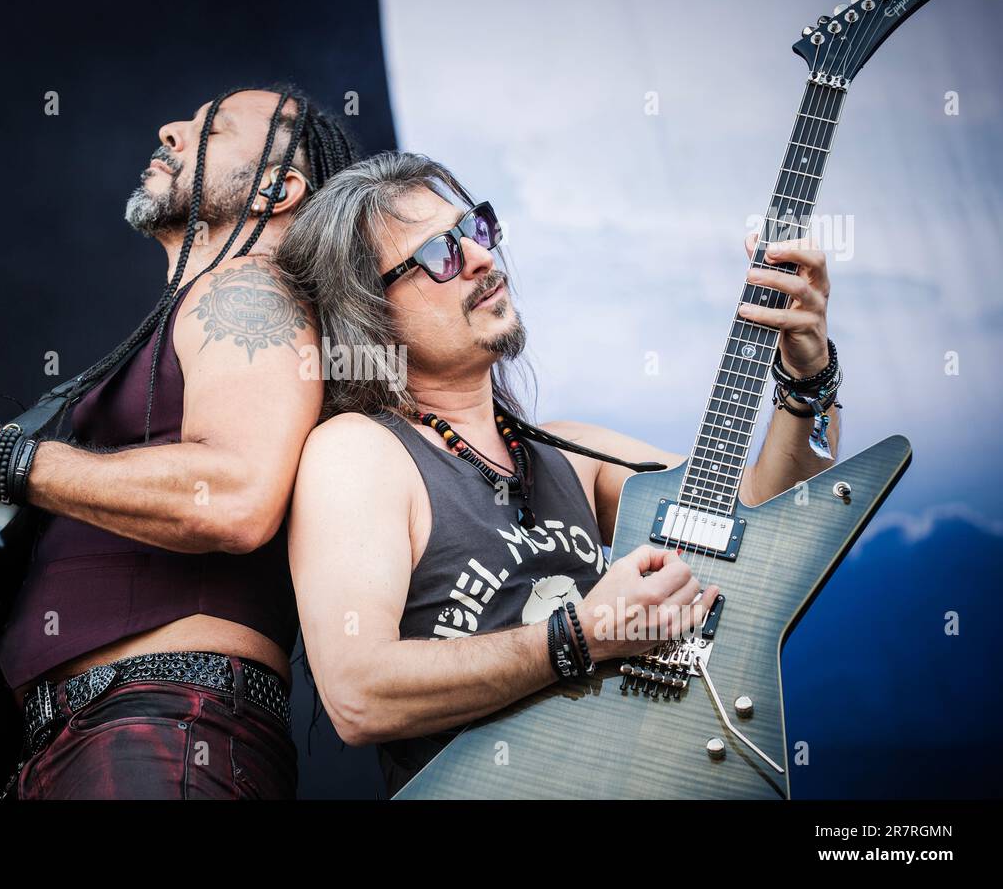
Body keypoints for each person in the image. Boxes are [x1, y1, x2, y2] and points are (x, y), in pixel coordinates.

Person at [275, 152, 841, 795]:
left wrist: (809, 377)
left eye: (475, 229)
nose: (482, 258)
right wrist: (582, 635)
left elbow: (759, 522)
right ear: (369, 313)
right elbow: (358, 694)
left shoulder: (572, 454)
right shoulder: (358, 452)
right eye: (439, 254)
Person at [0, 87, 356, 798]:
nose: (169, 129)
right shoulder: (198, 307)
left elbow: (235, 494)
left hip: (162, 726)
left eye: (211, 130)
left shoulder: (251, 290)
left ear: (275, 191)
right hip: (90, 737)